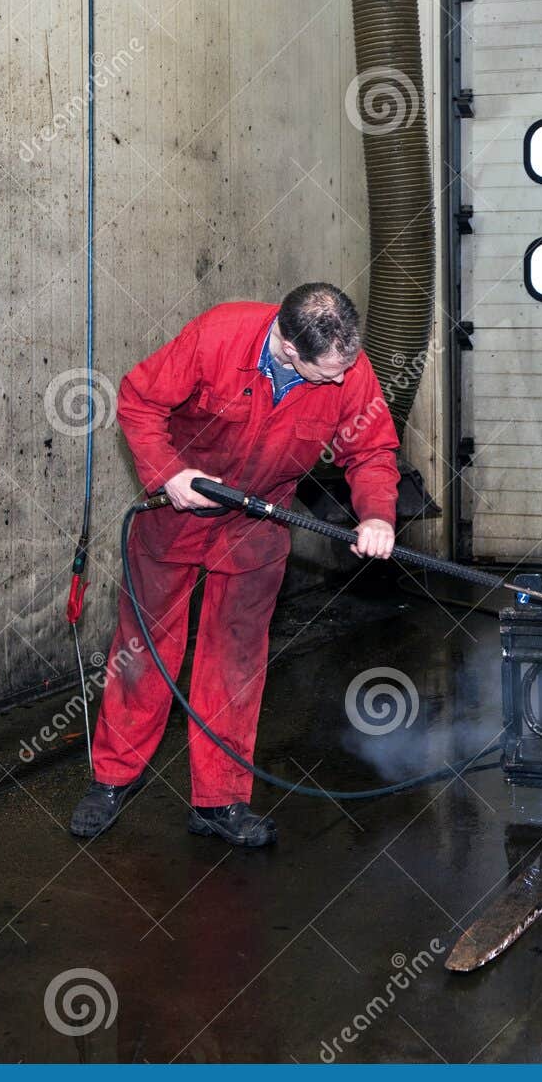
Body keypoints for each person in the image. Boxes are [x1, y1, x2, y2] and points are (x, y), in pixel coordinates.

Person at [69, 284, 400, 847]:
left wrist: (377, 516)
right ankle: (111, 780)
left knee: (235, 660)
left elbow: (370, 449)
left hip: (256, 527)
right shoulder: (218, 336)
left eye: (346, 368)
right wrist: (169, 474)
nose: (343, 382)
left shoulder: (347, 365)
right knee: (144, 651)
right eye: (328, 373)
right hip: (179, 511)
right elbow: (139, 399)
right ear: (288, 345)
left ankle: (219, 801)